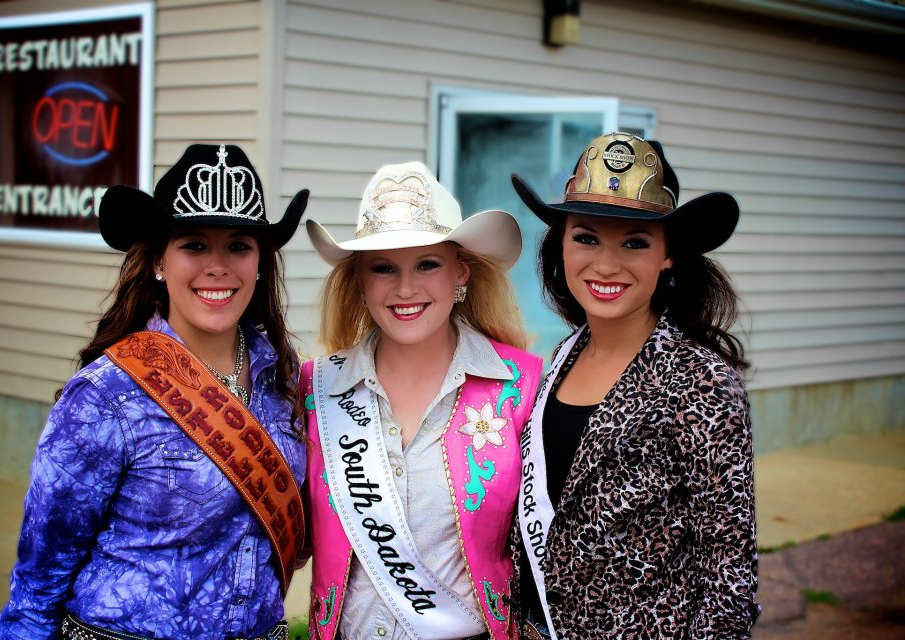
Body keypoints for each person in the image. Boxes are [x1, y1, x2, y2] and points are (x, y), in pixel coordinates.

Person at [0, 144, 309, 640]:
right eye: (194, 244)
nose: (218, 266)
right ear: (159, 261)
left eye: (239, 245)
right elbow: (38, 583)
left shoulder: (285, 376)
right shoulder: (106, 395)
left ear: (260, 262)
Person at [510, 132, 760, 639]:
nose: (605, 264)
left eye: (635, 242)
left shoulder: (702, 381)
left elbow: (729, 580)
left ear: (669, 255)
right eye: (586, 236)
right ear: (561, 243)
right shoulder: (560, 358)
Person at [301, 162, 544, 640]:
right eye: (383, 268)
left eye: (427, 264)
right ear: (360, 282)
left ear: (461, 274)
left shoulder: (523, 387)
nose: (405, 289)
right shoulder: (314, 388)